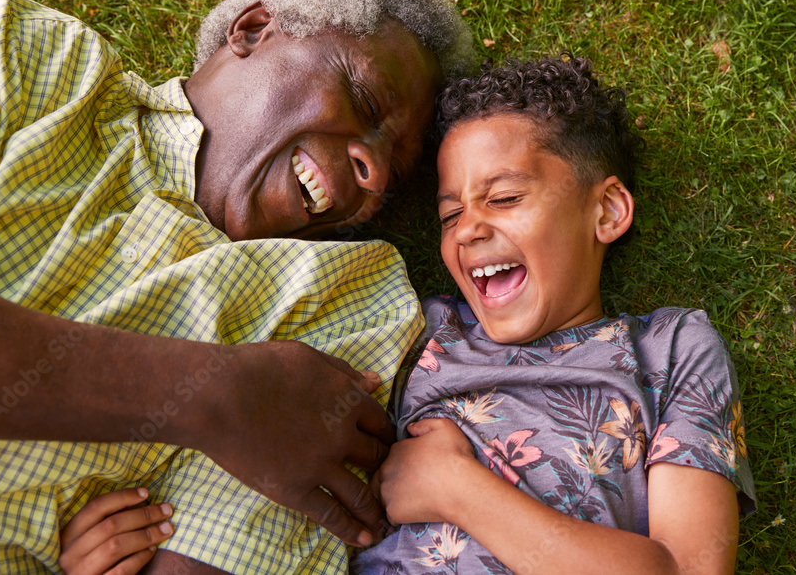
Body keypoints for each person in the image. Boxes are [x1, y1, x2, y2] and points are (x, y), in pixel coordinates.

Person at [62, 56, 758, 574]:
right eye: (450, 212)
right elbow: (262, 442)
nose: (467, 230)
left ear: (606, 210)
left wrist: (458, 490)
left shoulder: (673, 349)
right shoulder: (413, 333)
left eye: (505, 198)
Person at [0, 0, 474, 574]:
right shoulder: (24, 61)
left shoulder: (343, 304)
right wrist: (212, 397)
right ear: (252, 30)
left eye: (394, 170)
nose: (373, 172)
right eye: (363, 99)